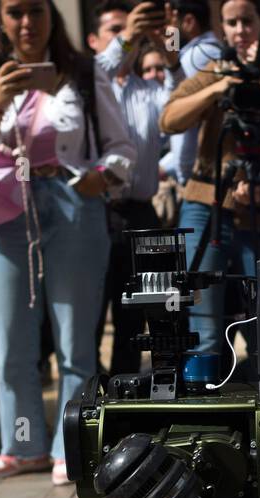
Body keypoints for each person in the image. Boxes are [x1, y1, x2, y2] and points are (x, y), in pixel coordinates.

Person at [0, 0, 135, 485]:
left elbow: (122, 147)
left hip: (73, 203)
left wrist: (100, 178)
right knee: (10, 337)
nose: (26, 22)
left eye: (35, 10)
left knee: (75, 340)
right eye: (15, 12)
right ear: (0, 17)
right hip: (7, 207)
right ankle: (23, 445)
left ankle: (69, 448)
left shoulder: (81, 71)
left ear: (51, 16)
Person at [159, 7, 260, 360]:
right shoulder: (224, 71)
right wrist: (220, 87)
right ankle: (200, 404)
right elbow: (169, 119)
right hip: (205, 207)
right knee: (203, 332)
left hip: (259, 218)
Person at [90, 0, 183, 377]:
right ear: (94, 40)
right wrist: (129, 36)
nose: (126, 35)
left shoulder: (149, 91)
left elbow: (177, 108)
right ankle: (86, 393)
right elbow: (98, 69)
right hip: (95, 211)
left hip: (140, 215)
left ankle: (121, 396)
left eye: (130, 29)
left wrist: (168, 46)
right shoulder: (88, 86)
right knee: (90, 313)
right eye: (114, 30)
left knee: (133, 315)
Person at [164, 0, 222, 186]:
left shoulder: (198, 55)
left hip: (195, 173)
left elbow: (175, 101)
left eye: (172, 24)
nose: (167, 31)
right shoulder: (206, 51)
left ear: (188, 21)